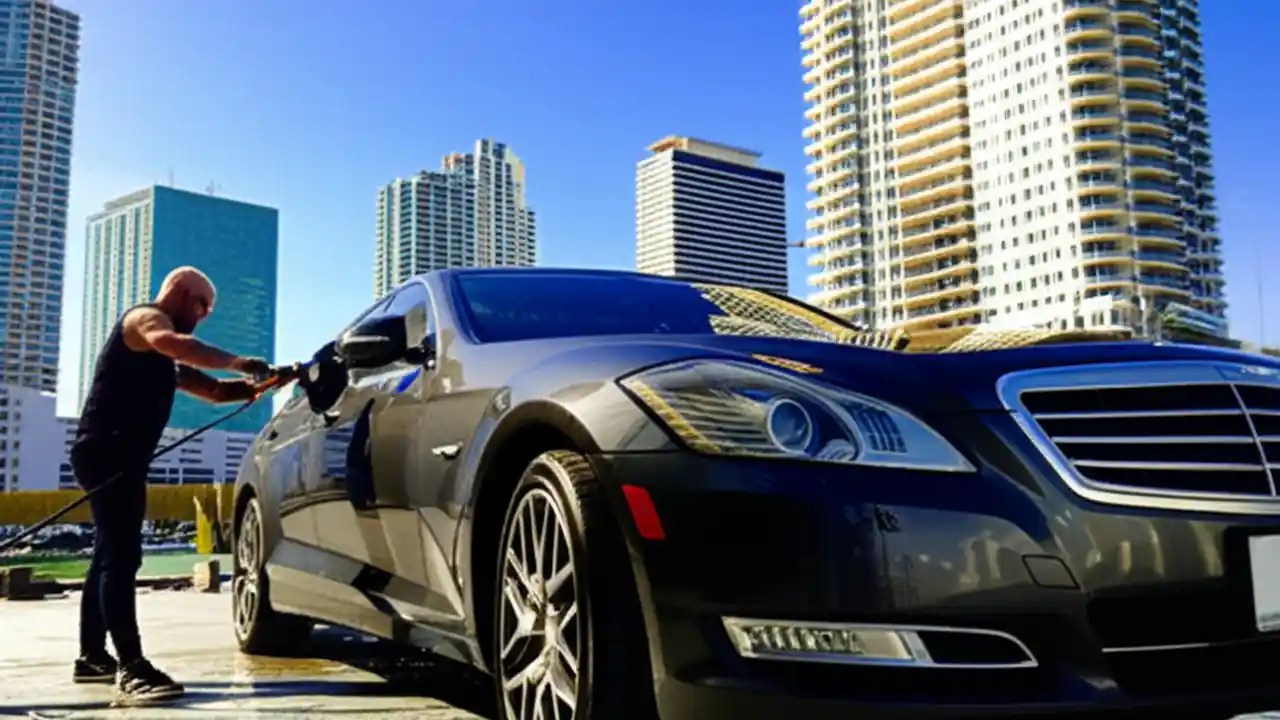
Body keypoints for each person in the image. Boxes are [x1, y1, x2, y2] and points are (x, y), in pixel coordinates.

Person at [69, 266, 271, 706]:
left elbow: (215, 392)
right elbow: (177, 344)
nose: (203, 316)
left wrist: (267, 382)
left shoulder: (164, 361)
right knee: (122, 555)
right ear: (181, 294)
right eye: (202, 306)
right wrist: (240, 360)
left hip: (120, 456)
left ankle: (91, 658)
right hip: (107, 453)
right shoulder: (143, 321)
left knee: (108, 552)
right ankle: (132, 666)